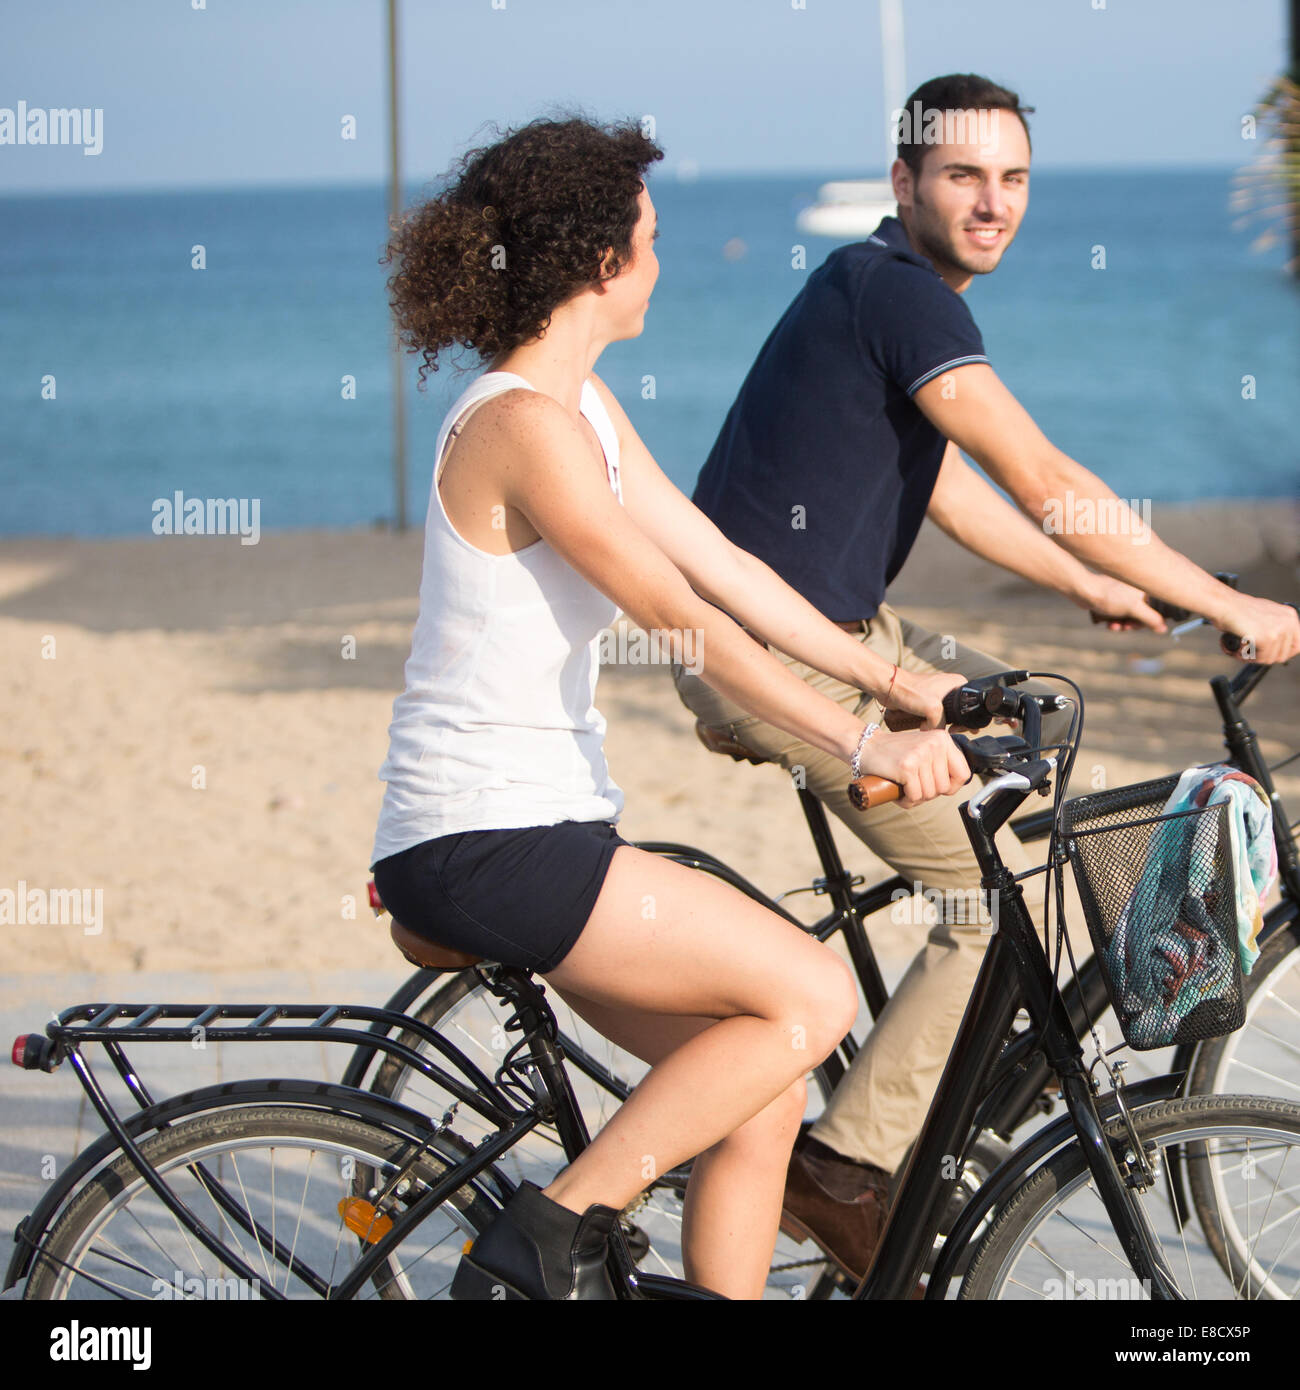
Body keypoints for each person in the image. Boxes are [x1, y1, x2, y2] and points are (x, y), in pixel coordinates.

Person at [674, 71, 1300, 1281]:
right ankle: (844, 1169)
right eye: (963, 176)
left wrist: (1100, 586)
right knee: (985, 908)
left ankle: (912, 1121)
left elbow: (952, 487)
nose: (991, 201)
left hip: (847, 632)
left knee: (1029, 821)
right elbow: (1036, 469)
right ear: (904, 181)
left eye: (1012, 179)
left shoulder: (880, 290)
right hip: (770, 656)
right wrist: (1226, 598)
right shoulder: (901, 293)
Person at [368, 114, 969, 1301]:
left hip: (539, 831)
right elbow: (680, 621)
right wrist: (859, 743)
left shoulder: (580, 409)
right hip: (488, 839)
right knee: (812, 991)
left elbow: (724, 570)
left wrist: (901, 683)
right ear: (600, 264)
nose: (662, 260)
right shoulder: (521, 427)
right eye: (650, 239)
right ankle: (548, 1234)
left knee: (751, 1076)